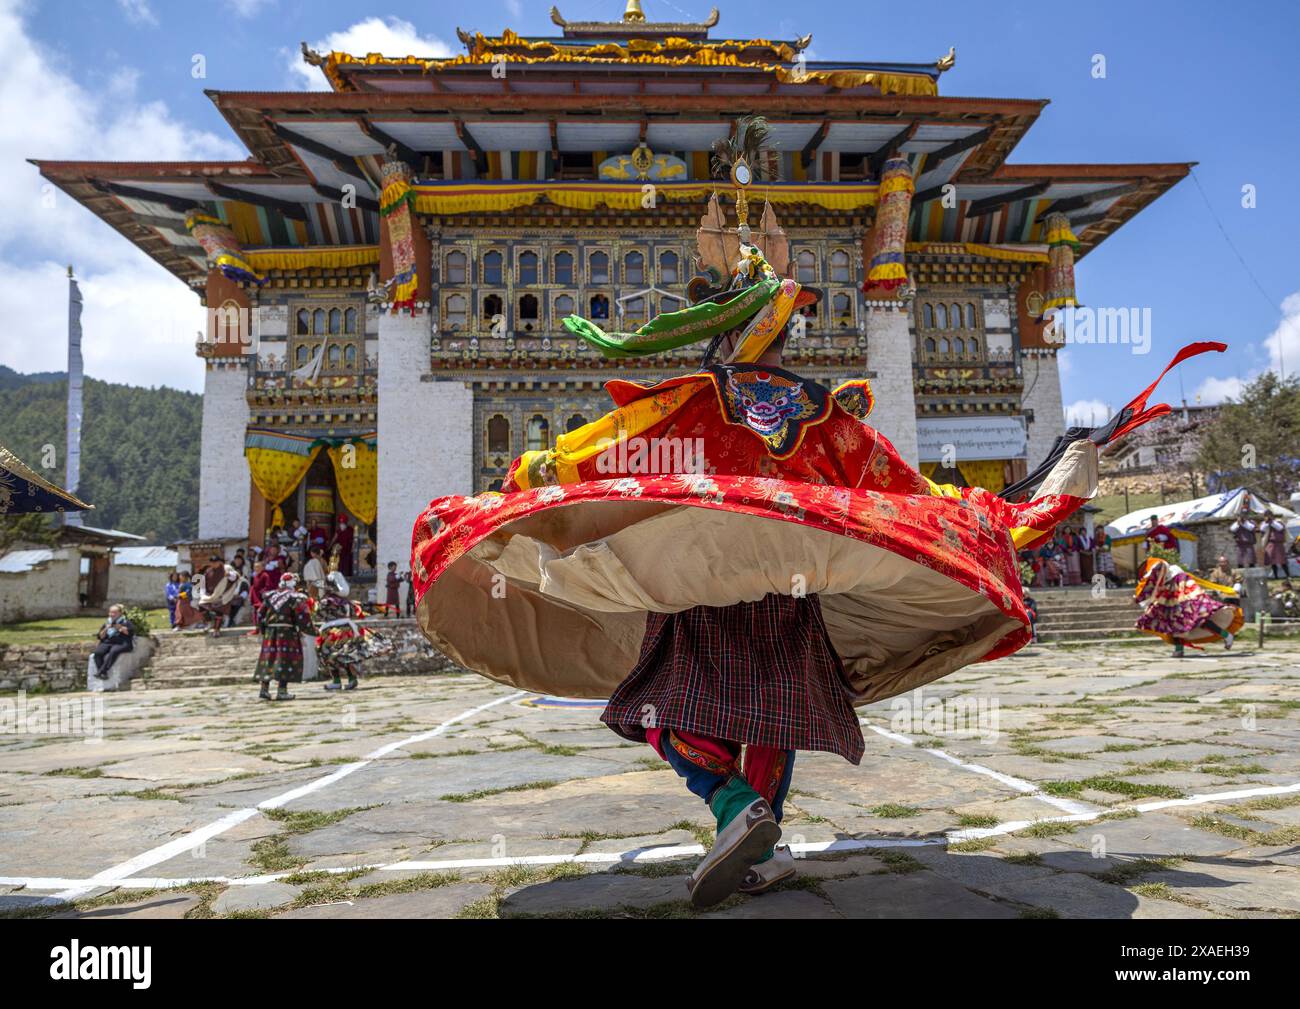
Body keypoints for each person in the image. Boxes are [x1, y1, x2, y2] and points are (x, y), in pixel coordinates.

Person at [406, 145, 1227, 908]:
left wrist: (521, 488)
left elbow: (592, 459)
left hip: (696, 588)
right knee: (778, 710)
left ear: (718, 333)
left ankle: (735, 806)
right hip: (792, 593)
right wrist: (1034, 494)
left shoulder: (690, 404)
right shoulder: (821, 413)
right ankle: (765, 838)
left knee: (660, 707)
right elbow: (905, 493)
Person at [1134, 557, 1241, 658]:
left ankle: (1226, 635)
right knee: (1174, 620)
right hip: (1173, 594)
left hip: (1185, 591)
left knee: (1200, 617)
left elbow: (1155, 577)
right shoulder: (1161, 576)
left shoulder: (1160, 567)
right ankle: (1179, 649)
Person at [314, 569, 383, 691]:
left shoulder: (325, 601)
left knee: (328, 655)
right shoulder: (346, 602)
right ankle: (351, 679)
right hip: (347, 629)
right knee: (345, 655)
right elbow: (353, 612)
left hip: (332, 632)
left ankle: (336, 681)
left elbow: (319, 615)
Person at [253, 573, 314, 700]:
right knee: (284, 660)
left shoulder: (271, 596)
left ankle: (264, 690)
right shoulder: (295, 597)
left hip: (270, 633)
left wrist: (263, 629)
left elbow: (260, 613)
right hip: (287, 633)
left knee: (269, 659)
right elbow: (302, 616)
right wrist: (312, 630)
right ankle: (282, 691)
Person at [196, 555, 241, 636]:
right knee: (201, 605)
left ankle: (217, 630)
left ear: (219, 562)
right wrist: (203, 594)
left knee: (219, 612)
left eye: (215, 562)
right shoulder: (208, 571)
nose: (213, 564)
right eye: (212, 562)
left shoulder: (226, 569)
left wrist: (229, 575)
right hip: (210, 595)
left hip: (222, 595)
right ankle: (209, 622)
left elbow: (235, 577)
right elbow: (203, 583)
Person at [92, 604, 134, 679]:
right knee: (98, 653)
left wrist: (120, 627)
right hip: (108, 642)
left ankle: (101, 671)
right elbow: (100, 636)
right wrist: (106, 629)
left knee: (114, 651)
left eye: (114, 612)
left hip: (122, 642)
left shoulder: (125, 621)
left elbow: (130, 633)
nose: (112, 614)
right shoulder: (107, 623)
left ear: (120, 613)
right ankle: (102, 673)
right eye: (110, 612)